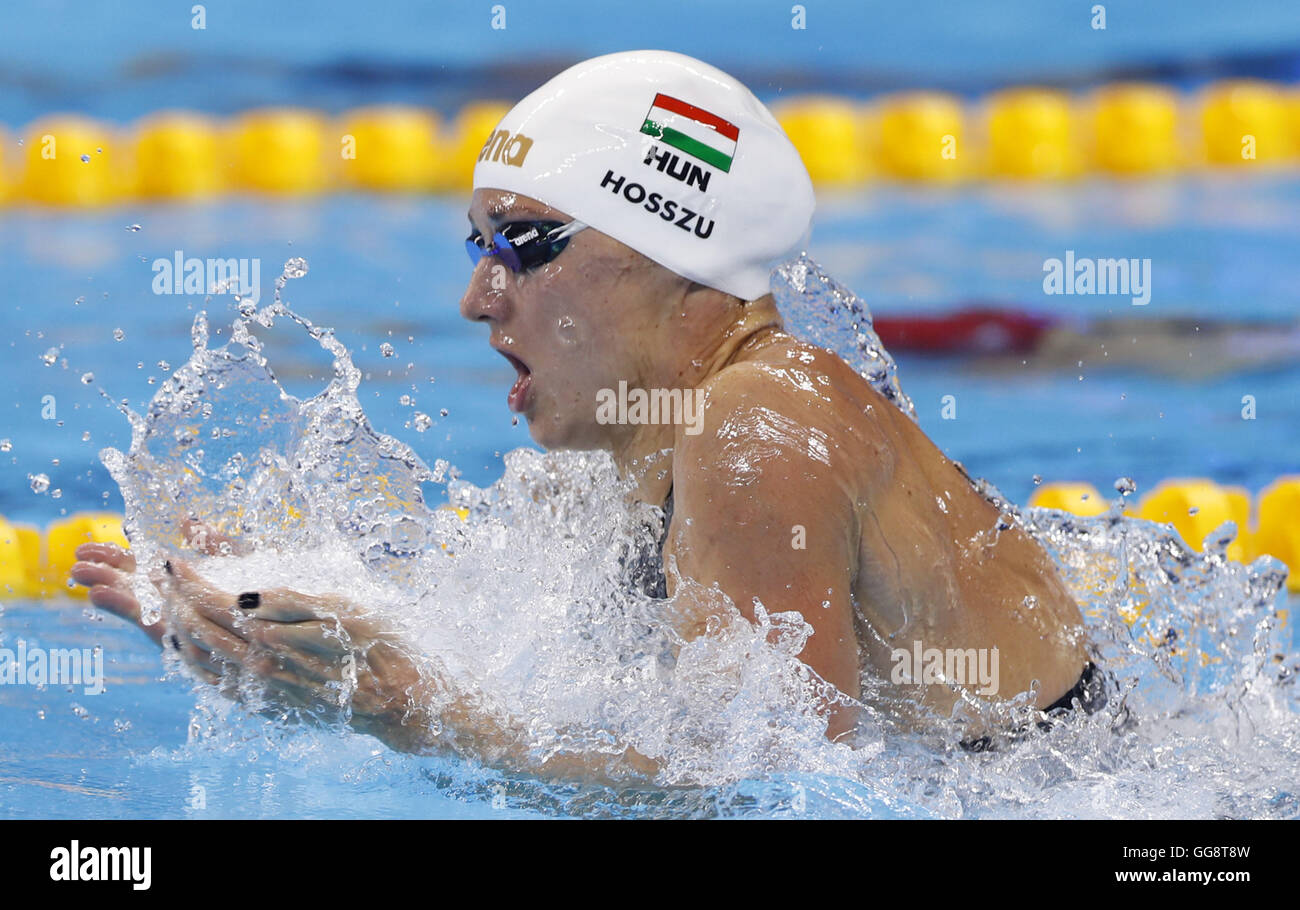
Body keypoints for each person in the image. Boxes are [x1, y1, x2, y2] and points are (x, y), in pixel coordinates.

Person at [71, 50, 1095, 780]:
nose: (477, 297)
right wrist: (272, 625)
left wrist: (412, 715)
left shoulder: (754, 427)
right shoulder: (645, 443)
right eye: (473, 246)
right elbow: (548, 672)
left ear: (670, 252)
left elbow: (778, 795)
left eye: (521, 241)